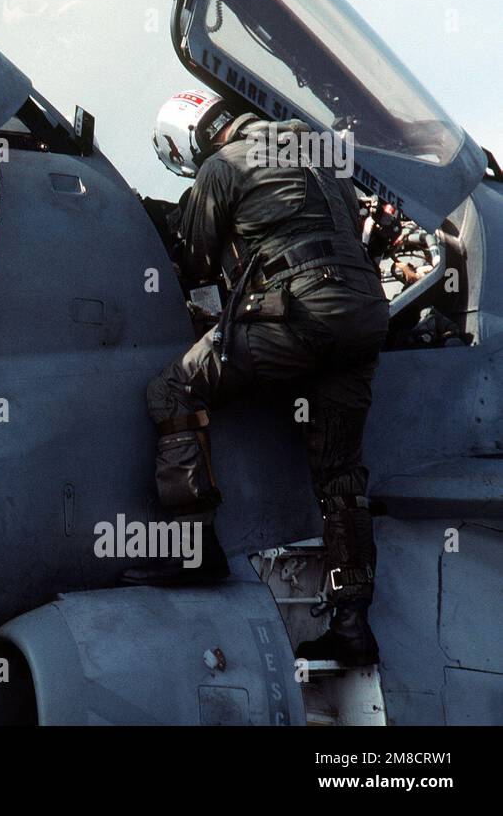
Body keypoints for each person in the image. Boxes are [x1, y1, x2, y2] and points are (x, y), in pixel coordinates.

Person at [124, 88, 390, 668]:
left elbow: (193, 260)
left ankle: (193, 547)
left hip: (304, 316)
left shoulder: (224, 167)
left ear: (192, 139)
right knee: (341, 475)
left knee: (172, 389)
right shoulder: (322, 157)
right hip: (365, 320)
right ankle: (352, 625)